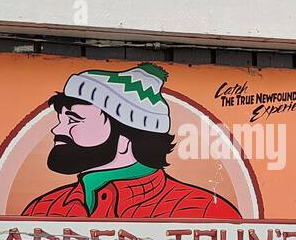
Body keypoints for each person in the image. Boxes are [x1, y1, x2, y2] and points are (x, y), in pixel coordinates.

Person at [22, 63, 241, 220]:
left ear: (126, 137)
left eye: (74, 119)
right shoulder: (42, 210)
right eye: (61, 119)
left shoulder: (204, 212)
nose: (57, 129)